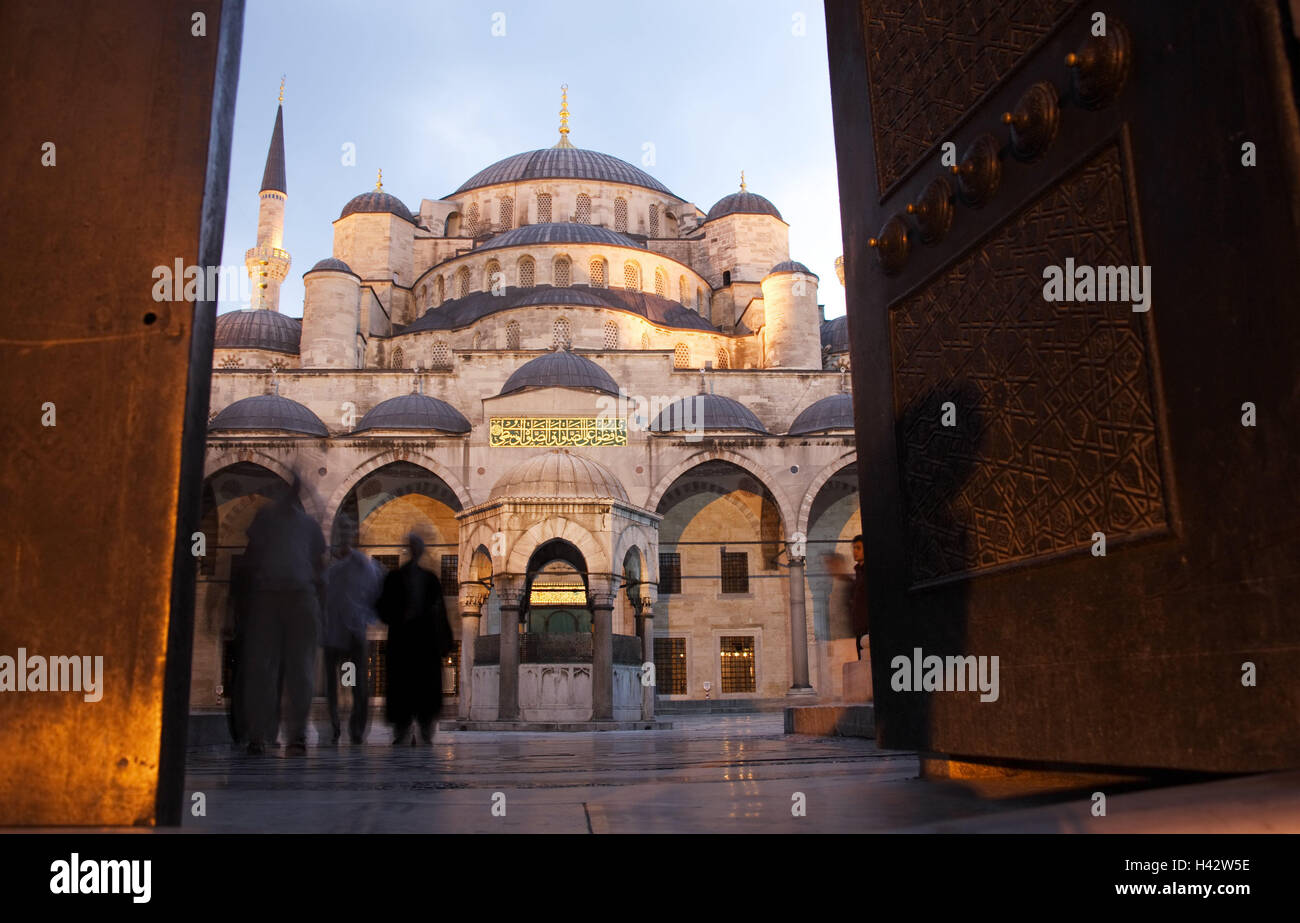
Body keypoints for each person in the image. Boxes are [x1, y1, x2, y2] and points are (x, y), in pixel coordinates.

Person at [238, 474, 326, 756]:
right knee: (272, 668)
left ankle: (278, 735)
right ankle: (264, 734)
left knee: (287, 669)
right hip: (278, 598)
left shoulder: (287, 521)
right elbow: (319, 567)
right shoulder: (288, 521)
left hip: (286, 599)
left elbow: (251, 559)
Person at [376, 533, 453, 746]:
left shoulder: (430, 579)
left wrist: (445, 641)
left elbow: (440, 612)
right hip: (403, 643)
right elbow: (382, 608)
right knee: (403, 689)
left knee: (424, 689)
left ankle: (424, 730)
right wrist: (402, 615)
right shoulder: (394, 578)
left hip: (424, 644)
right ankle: (402, 730)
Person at [322, 540, 383, 745]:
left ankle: (349, 728)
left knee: (351, 683)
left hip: (348, 638)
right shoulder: (333, 573)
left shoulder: (356, 569)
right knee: (340, 684)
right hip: (337, 638)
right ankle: (338, 726)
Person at [850, 534, 869, 660]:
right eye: (854, 548)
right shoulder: (858, 572)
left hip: (867, 626)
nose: (854, 551)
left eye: (858, 548)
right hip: (859, 627)